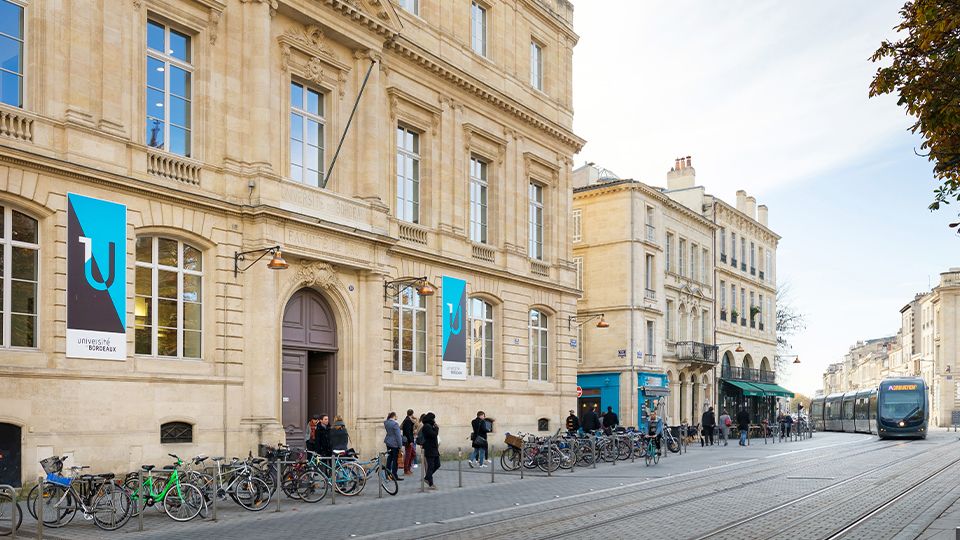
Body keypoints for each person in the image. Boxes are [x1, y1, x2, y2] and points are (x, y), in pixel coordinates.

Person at [421, 412, 440, 489]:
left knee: (437, 464)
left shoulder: (429, 425)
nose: (434, 420)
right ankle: (430, 482)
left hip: (434, 448)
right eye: (433, 418)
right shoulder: (427, 426)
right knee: (431, 465)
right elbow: (433, 435)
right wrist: (436, 428)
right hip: (429, 448)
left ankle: (427, 478)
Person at [384, 412, 403, 481]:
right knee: (395, 460)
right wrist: (400, 446)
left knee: (389, 459)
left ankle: (387, 474)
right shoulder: (395, 424)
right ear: (394, 416)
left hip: (388, 442)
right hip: (394, 444)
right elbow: (398, 436)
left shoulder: (386, 423)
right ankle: (394, 475)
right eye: (396, 416)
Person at [401, 409, 416, 475]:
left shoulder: (408, 420)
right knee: (408, 455)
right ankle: (406, 470)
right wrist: (410, 441)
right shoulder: (407, 421)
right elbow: (408, 432)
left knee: (413, 454)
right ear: (412, 414)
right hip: (408, 441)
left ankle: (408, 468)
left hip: (409, 440)